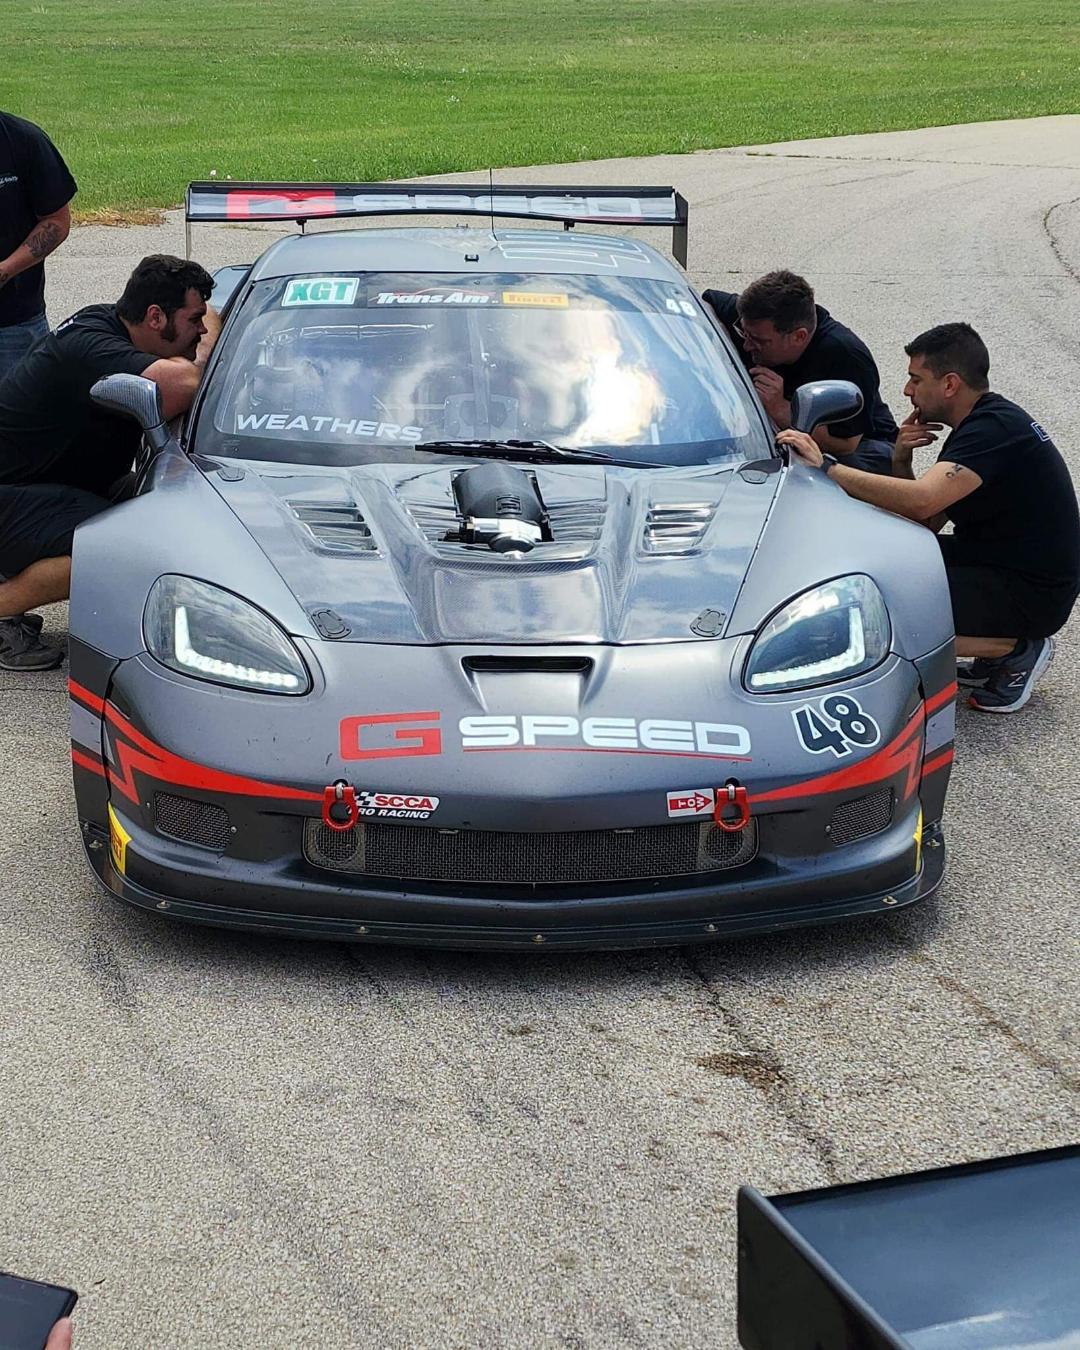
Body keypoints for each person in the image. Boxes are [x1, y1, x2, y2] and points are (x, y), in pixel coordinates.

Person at [777, 323, 1080, 713]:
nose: (907, 391)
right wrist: (900, 458)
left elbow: (922, 502)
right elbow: (924, 525)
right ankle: (995, 643)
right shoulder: (976, 426)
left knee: (890, 613)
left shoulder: (993, 429)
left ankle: (1018, 647)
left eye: (915, 379)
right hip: (999, 563)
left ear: (950, 384)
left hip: (1033, 592)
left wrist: (827, 467)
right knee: (884, 564)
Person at [0, 254, 219, 670]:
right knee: (115, 546)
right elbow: (187, 385)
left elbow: (215, 316)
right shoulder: (91, 346)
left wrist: (201, 331)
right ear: (155, 317)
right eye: (193, 321)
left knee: (147, 508)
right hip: (9, 497)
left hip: (44, 485)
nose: (202, 330)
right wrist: (212, 358)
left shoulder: (115, 325)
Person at [702, 270, 899, 474]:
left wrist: (781, 409)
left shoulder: (845, 355)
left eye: (759, 341)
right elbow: (704, 304)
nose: (747, 346)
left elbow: (846, 443)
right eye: (744, 333)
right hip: (772, 436)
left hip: (865, 448)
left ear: (799, 337)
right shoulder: (753, 318)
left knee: (810, 470)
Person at [0, 111, 77, 375]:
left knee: (18, 413)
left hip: (14, 326)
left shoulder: (23, 140)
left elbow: (56, 222)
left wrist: (5, 270)